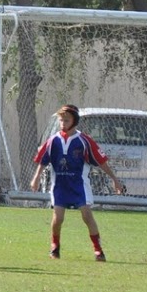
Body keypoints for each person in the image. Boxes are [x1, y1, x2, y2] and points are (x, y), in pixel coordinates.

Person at [29, 105, 126, 262]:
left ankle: (98, 250)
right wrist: (35, 179)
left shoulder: (84, 141)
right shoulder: (53, 141)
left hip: (79, 186)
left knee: (87, 215)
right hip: (59, 186)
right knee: (58, 217)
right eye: (61, 120)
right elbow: (42, 161)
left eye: (66, 120)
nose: (63, 124)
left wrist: (115, 179)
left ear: (75, 121)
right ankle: (55, 246)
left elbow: (101, 162)